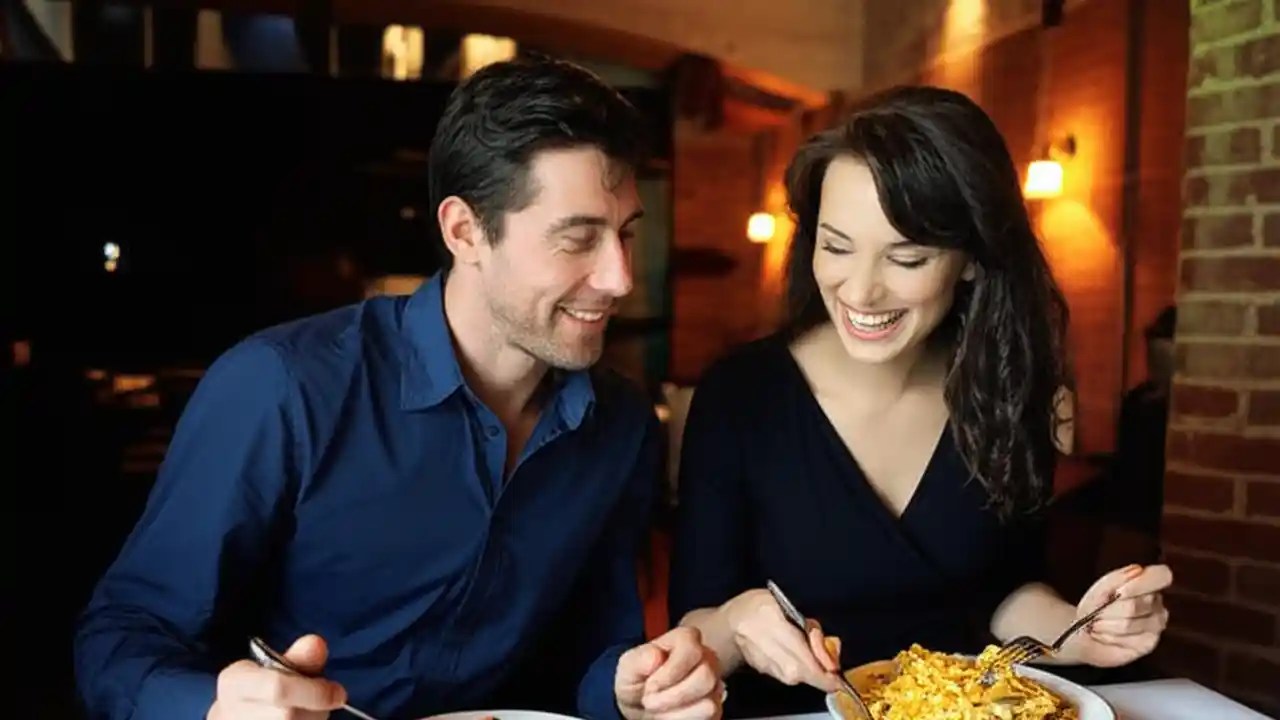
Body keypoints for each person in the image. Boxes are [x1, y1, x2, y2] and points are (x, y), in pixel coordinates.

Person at [74, 55, 723, 720]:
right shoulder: (281, 389)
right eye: (578, 239)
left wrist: (627, 690)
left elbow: (581, 660)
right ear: (464, 231)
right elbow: (119, 641)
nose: (619, 278)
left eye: (624, 234)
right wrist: (213, 707)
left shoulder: (622, 426)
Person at [667, 85, 1172, 717]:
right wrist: (740, 621)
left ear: (970, 261)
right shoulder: (741, 396)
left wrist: (1081, 632)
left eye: (906, 257)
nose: (861, 290)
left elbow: (1008, 593)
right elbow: (694, 625)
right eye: (836, 246)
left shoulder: (1011, 391)